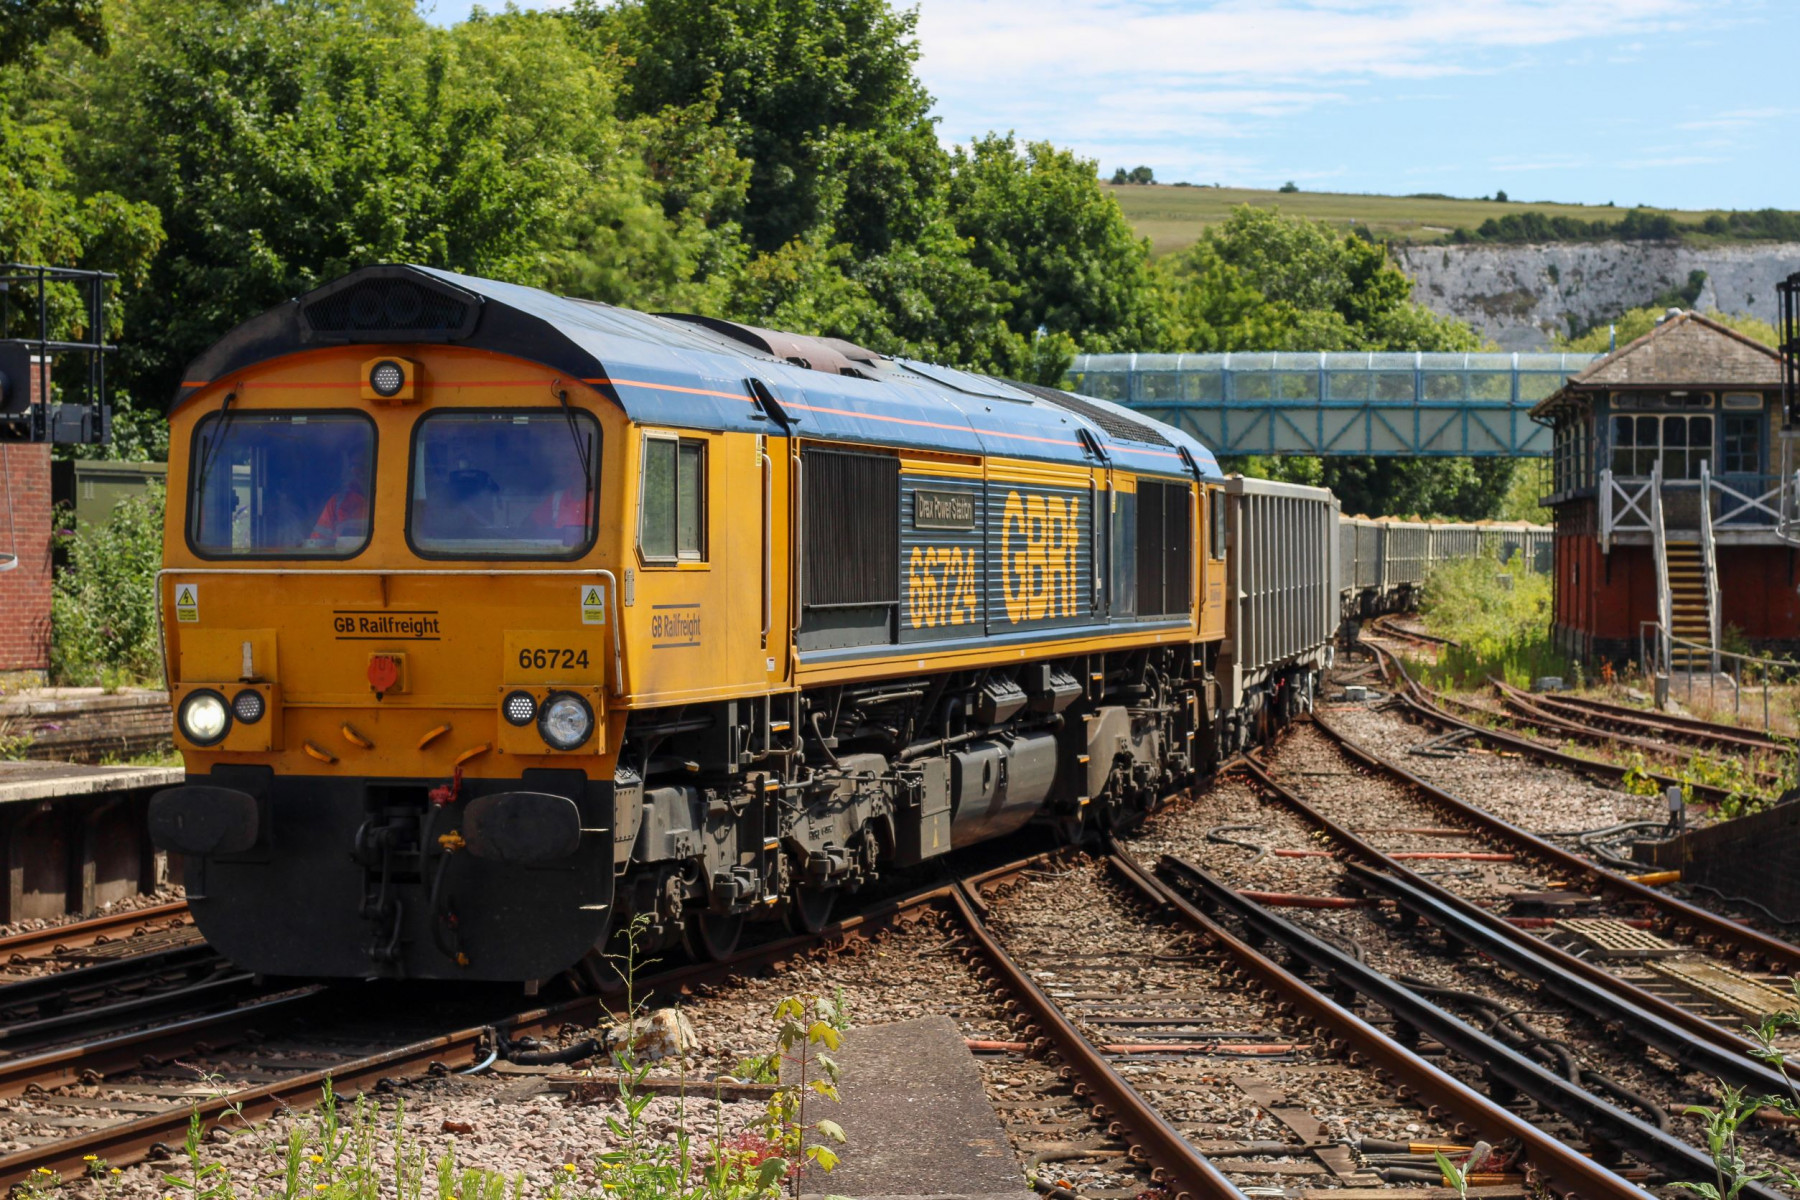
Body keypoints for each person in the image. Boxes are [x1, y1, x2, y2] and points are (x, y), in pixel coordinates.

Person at [307, 448, 370, 548]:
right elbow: (317, 544)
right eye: (354, 466)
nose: (358, 471)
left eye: (364, 465)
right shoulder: (337, 502)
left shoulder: (391, 501)